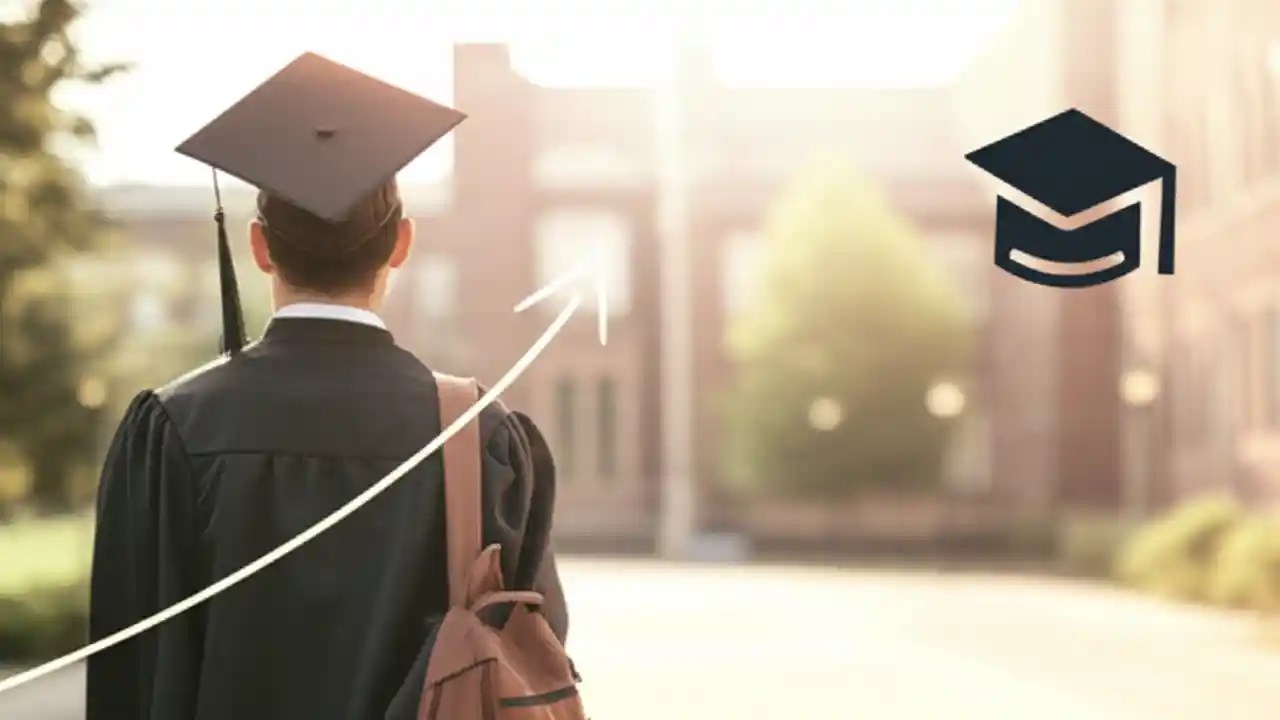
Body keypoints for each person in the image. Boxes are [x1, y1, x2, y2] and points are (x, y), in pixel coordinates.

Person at [86, 53, 568, 719]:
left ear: (260, 247)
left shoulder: (171, 432)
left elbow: (129, 679)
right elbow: (535, 665)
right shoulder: (482, 436)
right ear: (401, 244)